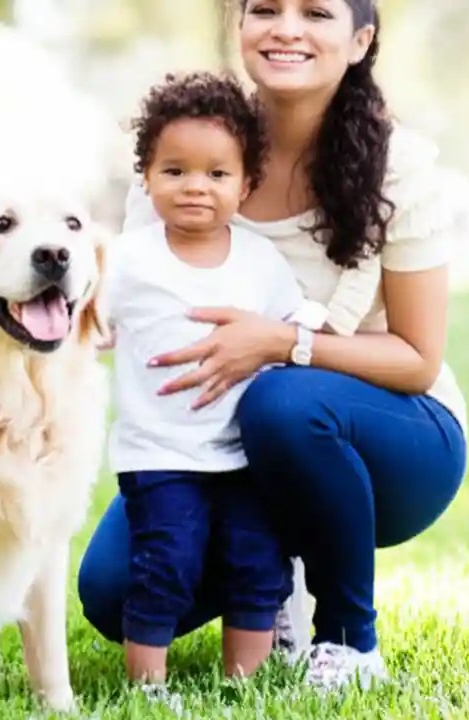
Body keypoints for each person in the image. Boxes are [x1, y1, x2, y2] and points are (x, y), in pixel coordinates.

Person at [78, 0, 469, 691]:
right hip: (207, 449)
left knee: (282, 402)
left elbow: (416, 358)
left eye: (317, 12)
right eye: (265, 8)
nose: (286, 27)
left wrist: (281, 343)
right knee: (114, 592)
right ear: (241, 27)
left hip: (393, 438)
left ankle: (349, 639)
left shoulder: (399, 166)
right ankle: (268, 581)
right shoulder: (189, 149)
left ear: (360, 41)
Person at [102, 70, 324, 687]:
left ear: (246, 184)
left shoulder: (261, 261)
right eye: (175, 171)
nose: (195, 187)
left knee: (257, 563)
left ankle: (242, 685)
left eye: (217, 174)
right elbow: (86, 322)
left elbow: (292, 324)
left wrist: (314, 325)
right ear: (145, 177)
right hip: (160, 455)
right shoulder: (126, 260)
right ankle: (149, 687)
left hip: (244, 454)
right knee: (165, 563)